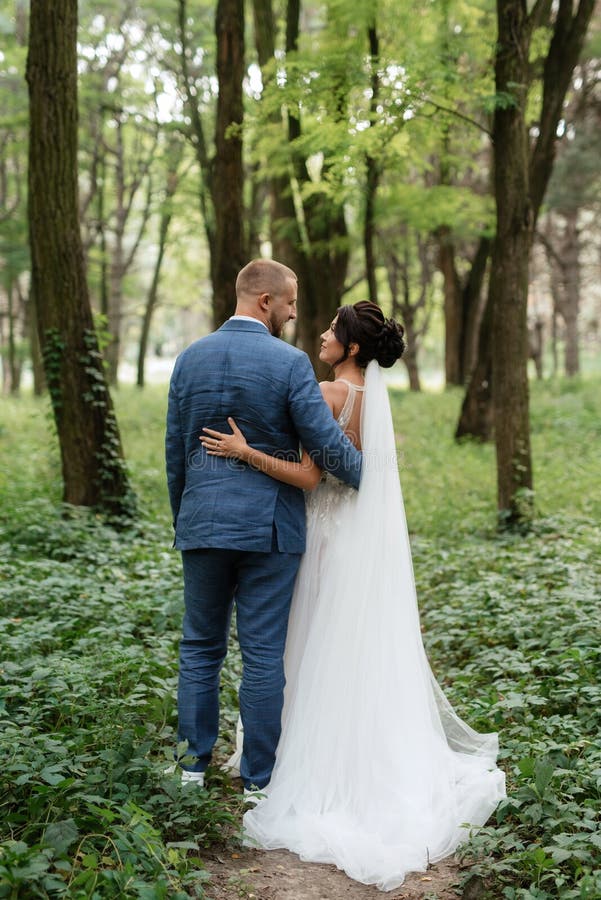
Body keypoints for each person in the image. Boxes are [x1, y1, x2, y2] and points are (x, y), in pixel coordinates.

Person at [200, 301, 506, 892]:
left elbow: (309, 476)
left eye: (332, 331)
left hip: (322, 537)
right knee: (352, 649)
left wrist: (245, 454)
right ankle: (360, 752)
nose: (321, 333)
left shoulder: (330, 394)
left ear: (353, 348)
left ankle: (302, 761)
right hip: (352, 537)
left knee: (309, 641)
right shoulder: (372, 403)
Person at [165, 259, 362, 793]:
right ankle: (258, 783)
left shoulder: (189, 359)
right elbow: (324, 442)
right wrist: (371, 472)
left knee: (200, 648)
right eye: (290, 302)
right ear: (264, 301)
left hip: (203, 522)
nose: (296, 312)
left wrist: (185, 514)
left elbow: (177, 452)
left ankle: (190, 771)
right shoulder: (290, 363)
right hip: (270, 531)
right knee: (262, 655)